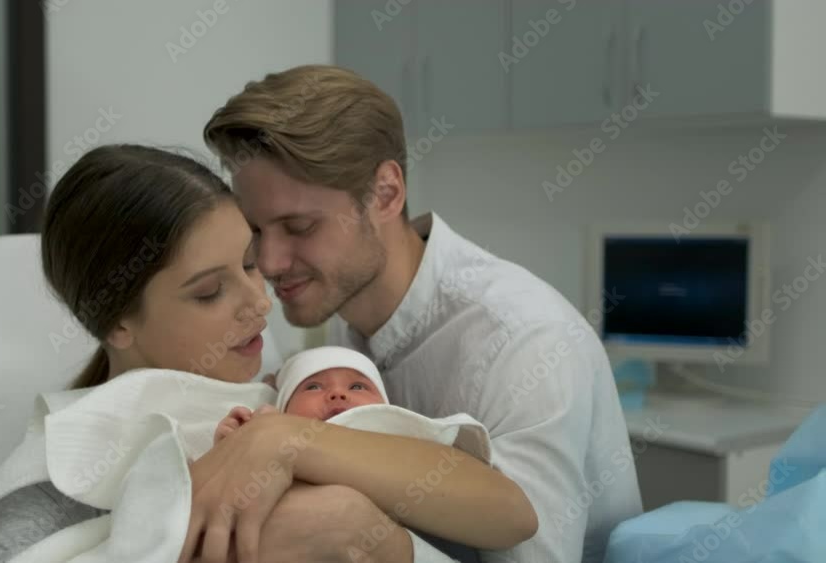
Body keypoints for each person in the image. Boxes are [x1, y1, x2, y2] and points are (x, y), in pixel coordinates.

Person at [0, 144, 535, 563]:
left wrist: (293, 447)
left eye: (248, 263)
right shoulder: (65, 482)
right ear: (117, 321)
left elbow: (511, 515)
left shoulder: (299, 400)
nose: (259, 302)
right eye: (209, 292)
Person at [202, 64, 643, 562]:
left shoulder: (524, 341)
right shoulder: (347, 325)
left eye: (299, 226)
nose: (268, 263)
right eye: (256, 232)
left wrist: (355, 528)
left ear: (385, 194)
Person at [214, 346, 390, 441]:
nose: (337, 394)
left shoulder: (402, 445)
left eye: (357, 387)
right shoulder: (277, 450)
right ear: (284, 410)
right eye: (314, 387)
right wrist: (232, 448)